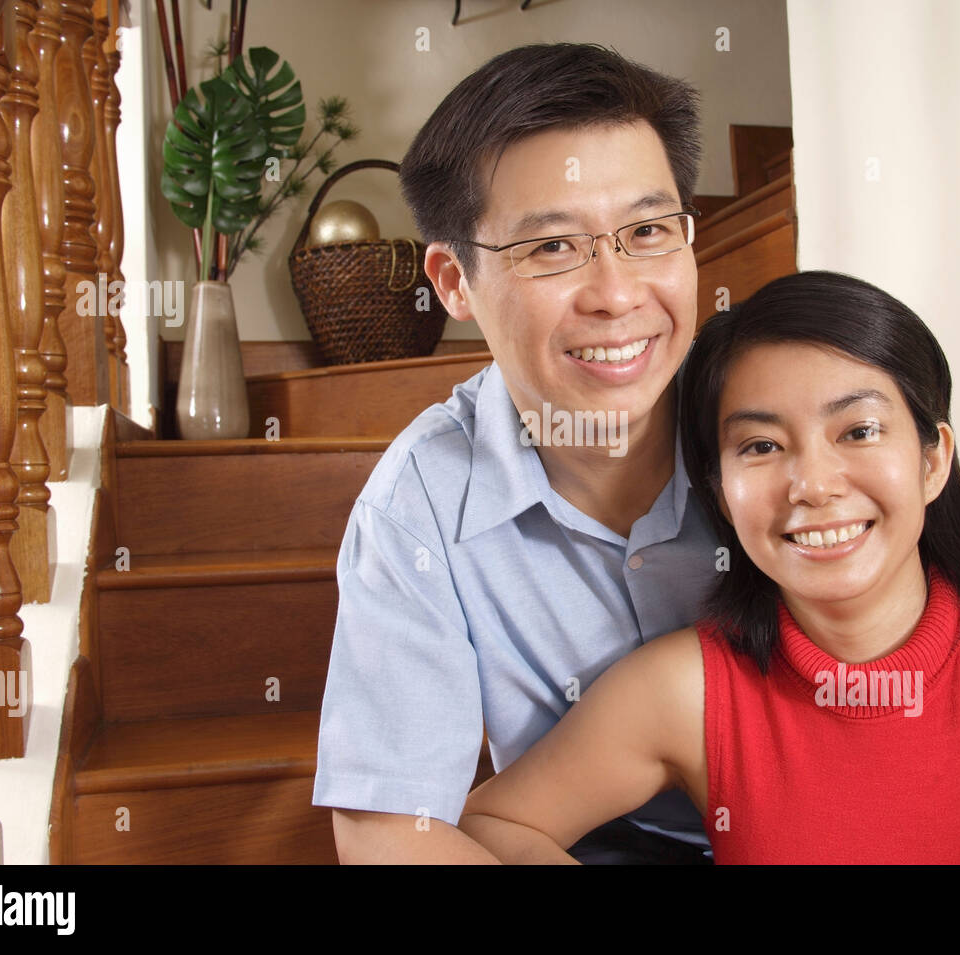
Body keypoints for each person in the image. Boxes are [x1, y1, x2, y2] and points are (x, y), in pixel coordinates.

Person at [457, 271, 960, 863]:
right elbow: (497, 824)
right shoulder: (687, 690)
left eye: (858, 430)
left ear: (933, 460)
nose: (814, 483)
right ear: (719, 492)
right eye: (762, 446)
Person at [314, 42, 722, 863]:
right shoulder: (420, 500)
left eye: (647, 230)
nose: (615, 294)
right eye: (552, 248)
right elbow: (394, 831)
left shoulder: (773, 420)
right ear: (453, 282)